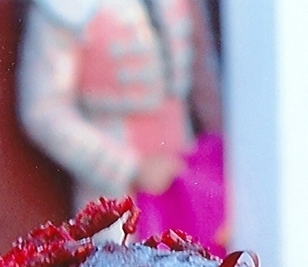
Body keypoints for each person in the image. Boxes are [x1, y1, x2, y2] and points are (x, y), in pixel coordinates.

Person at [16, 0, 226, 251]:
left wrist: (224, 156)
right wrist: (131, 167)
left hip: (190, 178)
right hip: (116, 194)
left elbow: (204, 81)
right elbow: (42, 111)